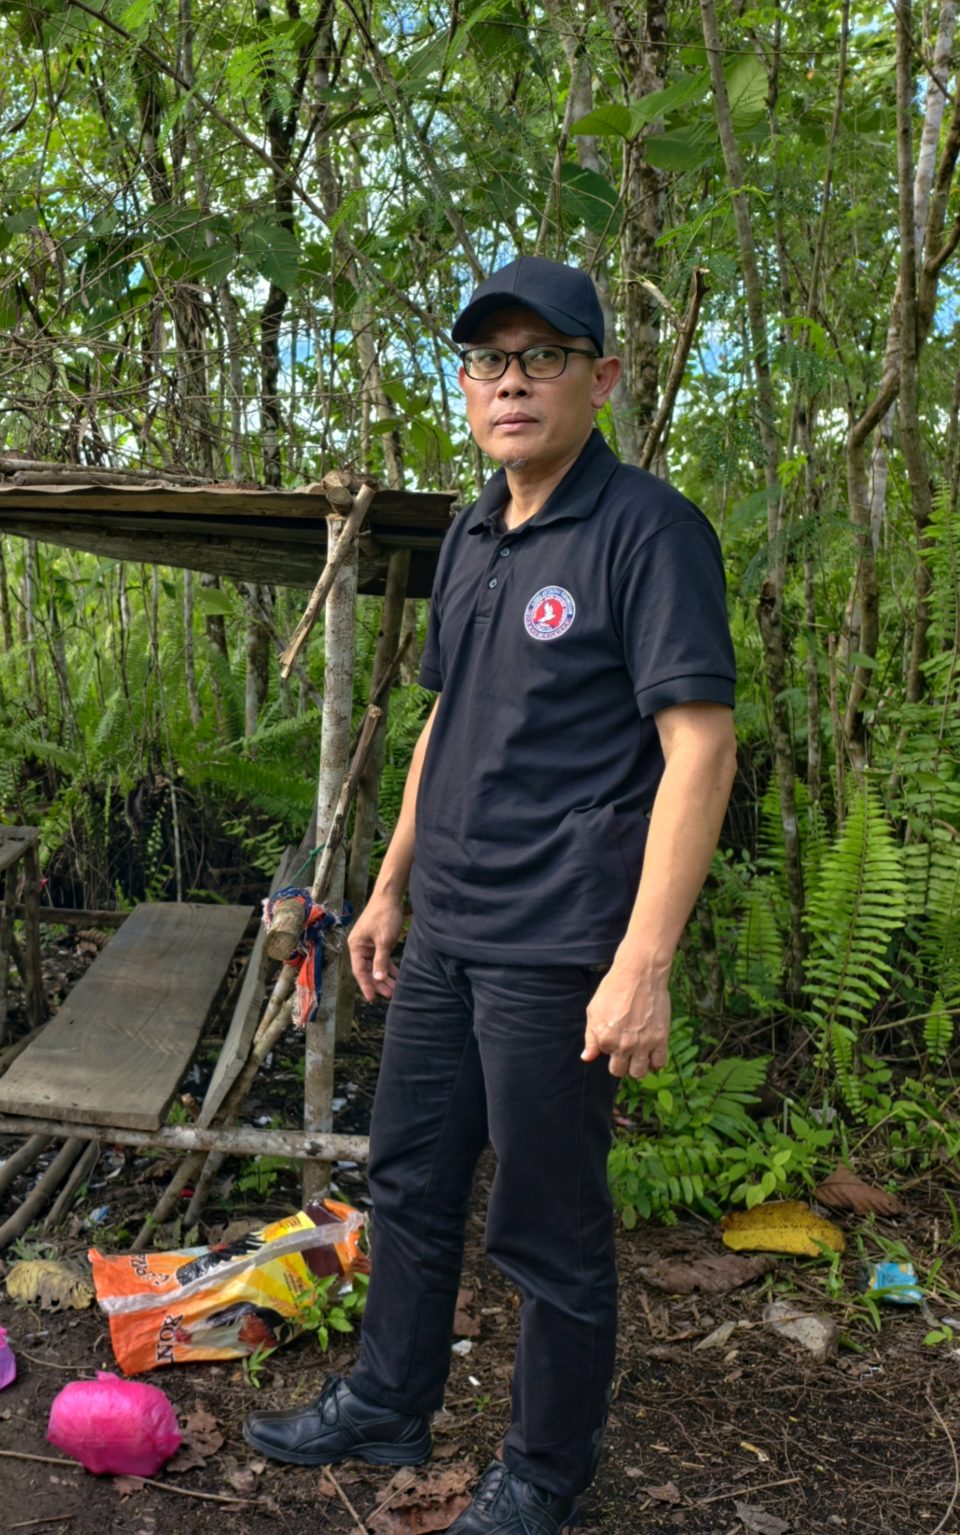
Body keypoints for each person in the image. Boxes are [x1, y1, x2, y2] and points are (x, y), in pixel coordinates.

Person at [243, 257, 737, 1534]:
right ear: (466, 386)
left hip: (556, 940)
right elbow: (444, 721)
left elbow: (699, 748)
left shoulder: (647, 531)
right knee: (406, 1177)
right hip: (446, 926)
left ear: (600, 377)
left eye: (542, 355)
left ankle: (543, 1470)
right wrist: (387, 886)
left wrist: (642, 962)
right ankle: (387, 1398)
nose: (509, 379)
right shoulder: (472, 529)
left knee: (544, 1222)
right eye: (486, 359)